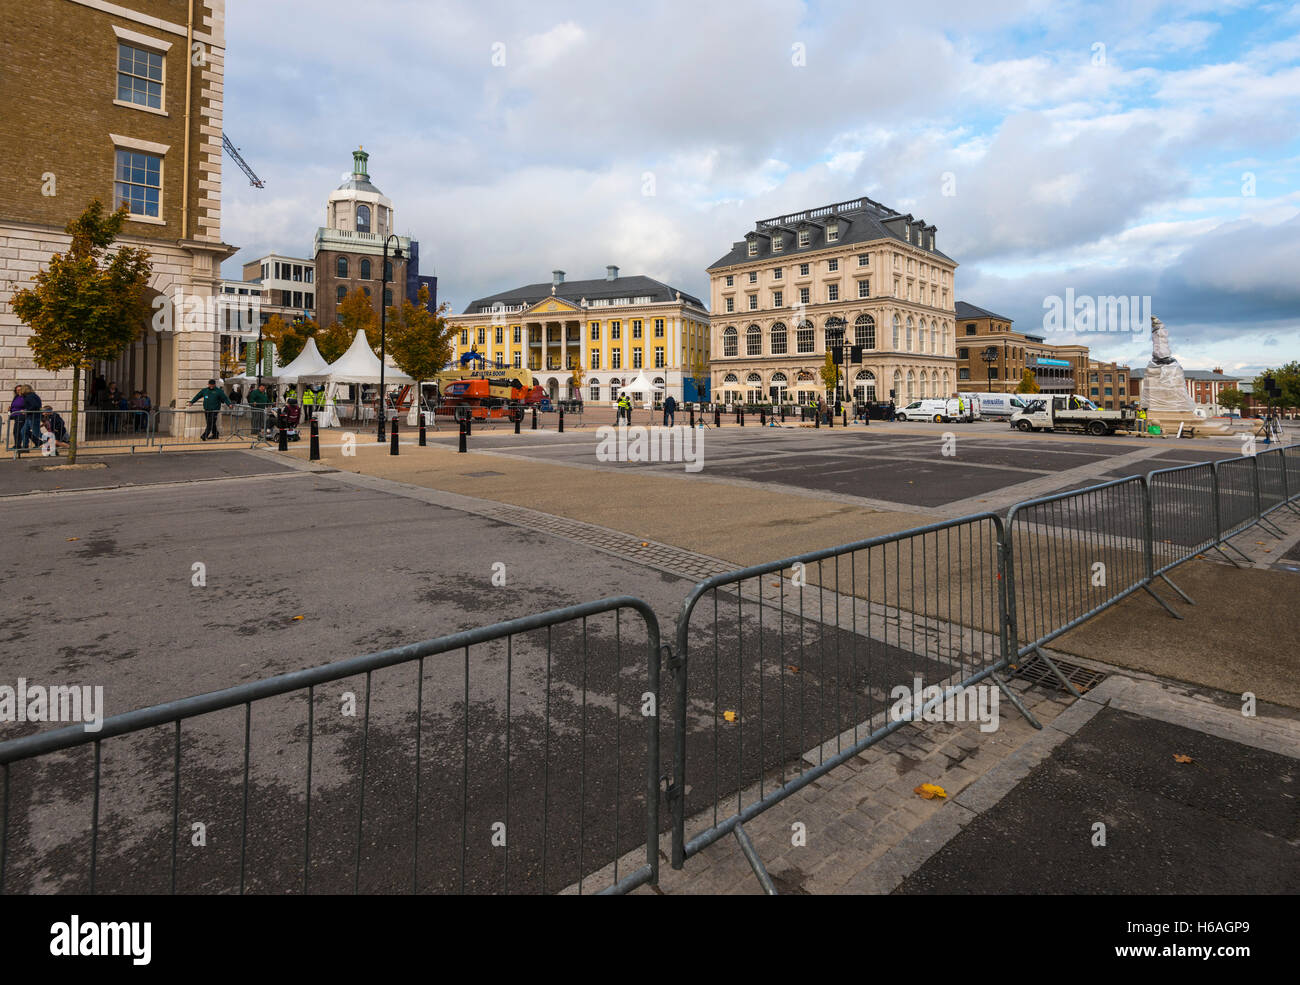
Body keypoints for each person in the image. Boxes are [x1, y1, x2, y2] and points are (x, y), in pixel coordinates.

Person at [21, 384, 43, 449]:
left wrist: (26, 411)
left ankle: (53, 442)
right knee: (24, 431)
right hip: (30, 417)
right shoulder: (32, 395)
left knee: (37, 433)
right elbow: (34, 406)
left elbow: (34, 406)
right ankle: (25, 448)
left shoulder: (29, 396)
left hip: (33, 417)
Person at [9, 385, 27, 449]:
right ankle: (38, 442)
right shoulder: (16, 397)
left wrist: (25, 410)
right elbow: (14, 406)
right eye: (17, 390)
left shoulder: (25, 397)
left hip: (21, 416)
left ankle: (17, 446)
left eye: (20, 389)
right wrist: (10, 409)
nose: (18, 391)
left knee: (17, 431)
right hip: (15, 416)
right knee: (20, 431)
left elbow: (28, 406)